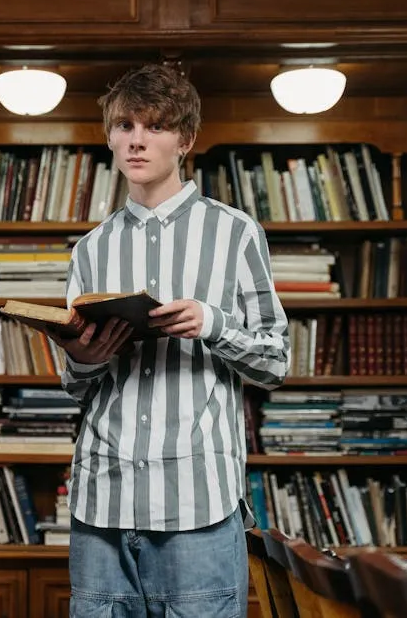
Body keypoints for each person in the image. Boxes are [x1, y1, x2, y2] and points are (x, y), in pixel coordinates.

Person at [54, 63, 290, 618]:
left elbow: (276, 361)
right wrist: (82, 359)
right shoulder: (90, 249)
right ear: (109, 136)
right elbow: (74, 384)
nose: (136, 140)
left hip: (198, 504)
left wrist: (213, 324)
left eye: (154, 127)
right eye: (124, 126)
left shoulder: (236, 232)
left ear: (185, 140)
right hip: (101, 502)